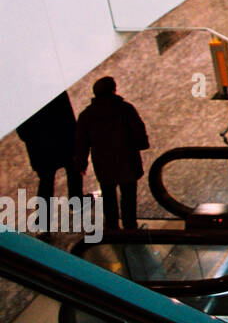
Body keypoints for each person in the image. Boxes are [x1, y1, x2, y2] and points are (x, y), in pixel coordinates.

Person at [73, 77, 149, 232]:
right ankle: (130, 226)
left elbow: (82, 143)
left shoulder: (86, 115)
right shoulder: (125, 109)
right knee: (128, 195)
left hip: (103, 163)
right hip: (127, 160)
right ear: (114, 90)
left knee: (108, 196)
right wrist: (142, 144)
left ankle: (112, 226)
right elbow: (138, 130)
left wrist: (81, 164)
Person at [16, 91, 80, 213]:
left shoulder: (21, 99)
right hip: (63, 141)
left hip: (40, 149)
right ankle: (76, 201)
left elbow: (23, 131)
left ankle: (43, 220)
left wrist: (34, 139)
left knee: (46, 180)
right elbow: (68, 116)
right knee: (73, 169)